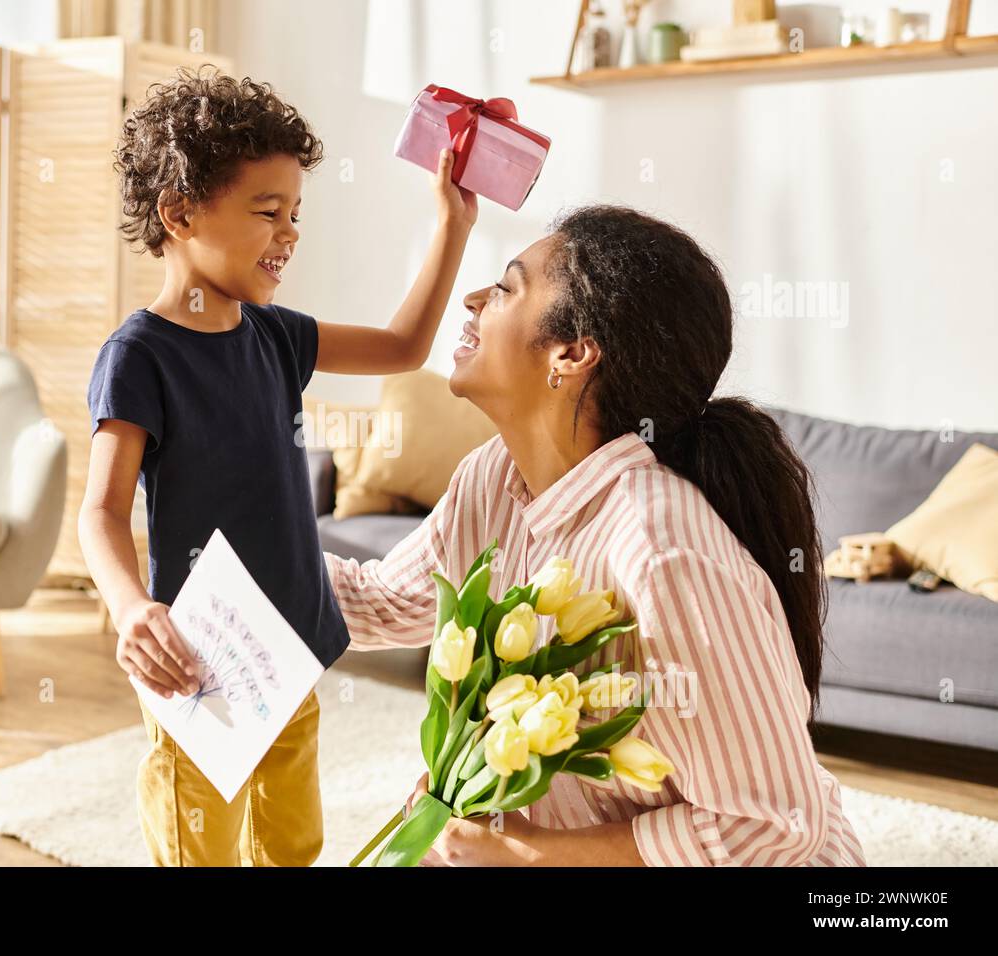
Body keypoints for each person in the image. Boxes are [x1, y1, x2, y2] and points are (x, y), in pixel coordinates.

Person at [328, 205, 868, 866]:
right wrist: (208, 534)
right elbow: (382, 603)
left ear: (572, 353)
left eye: (504, 288)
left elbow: (772, 827)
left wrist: (532, 850)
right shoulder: (491, 478)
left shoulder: (661, 548)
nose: (472, 300)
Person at [79, 67, 476, 866]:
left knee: (294, 845)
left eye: (295, 213)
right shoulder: (139, 358)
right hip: (198, 668)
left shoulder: (277, 336)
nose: (290, 234)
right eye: (268, 213)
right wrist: (130, 611)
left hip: (288, 654)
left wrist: (453, 229)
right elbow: (100, 511)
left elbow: (403, 347)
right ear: (180, 213)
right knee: (204, 852)